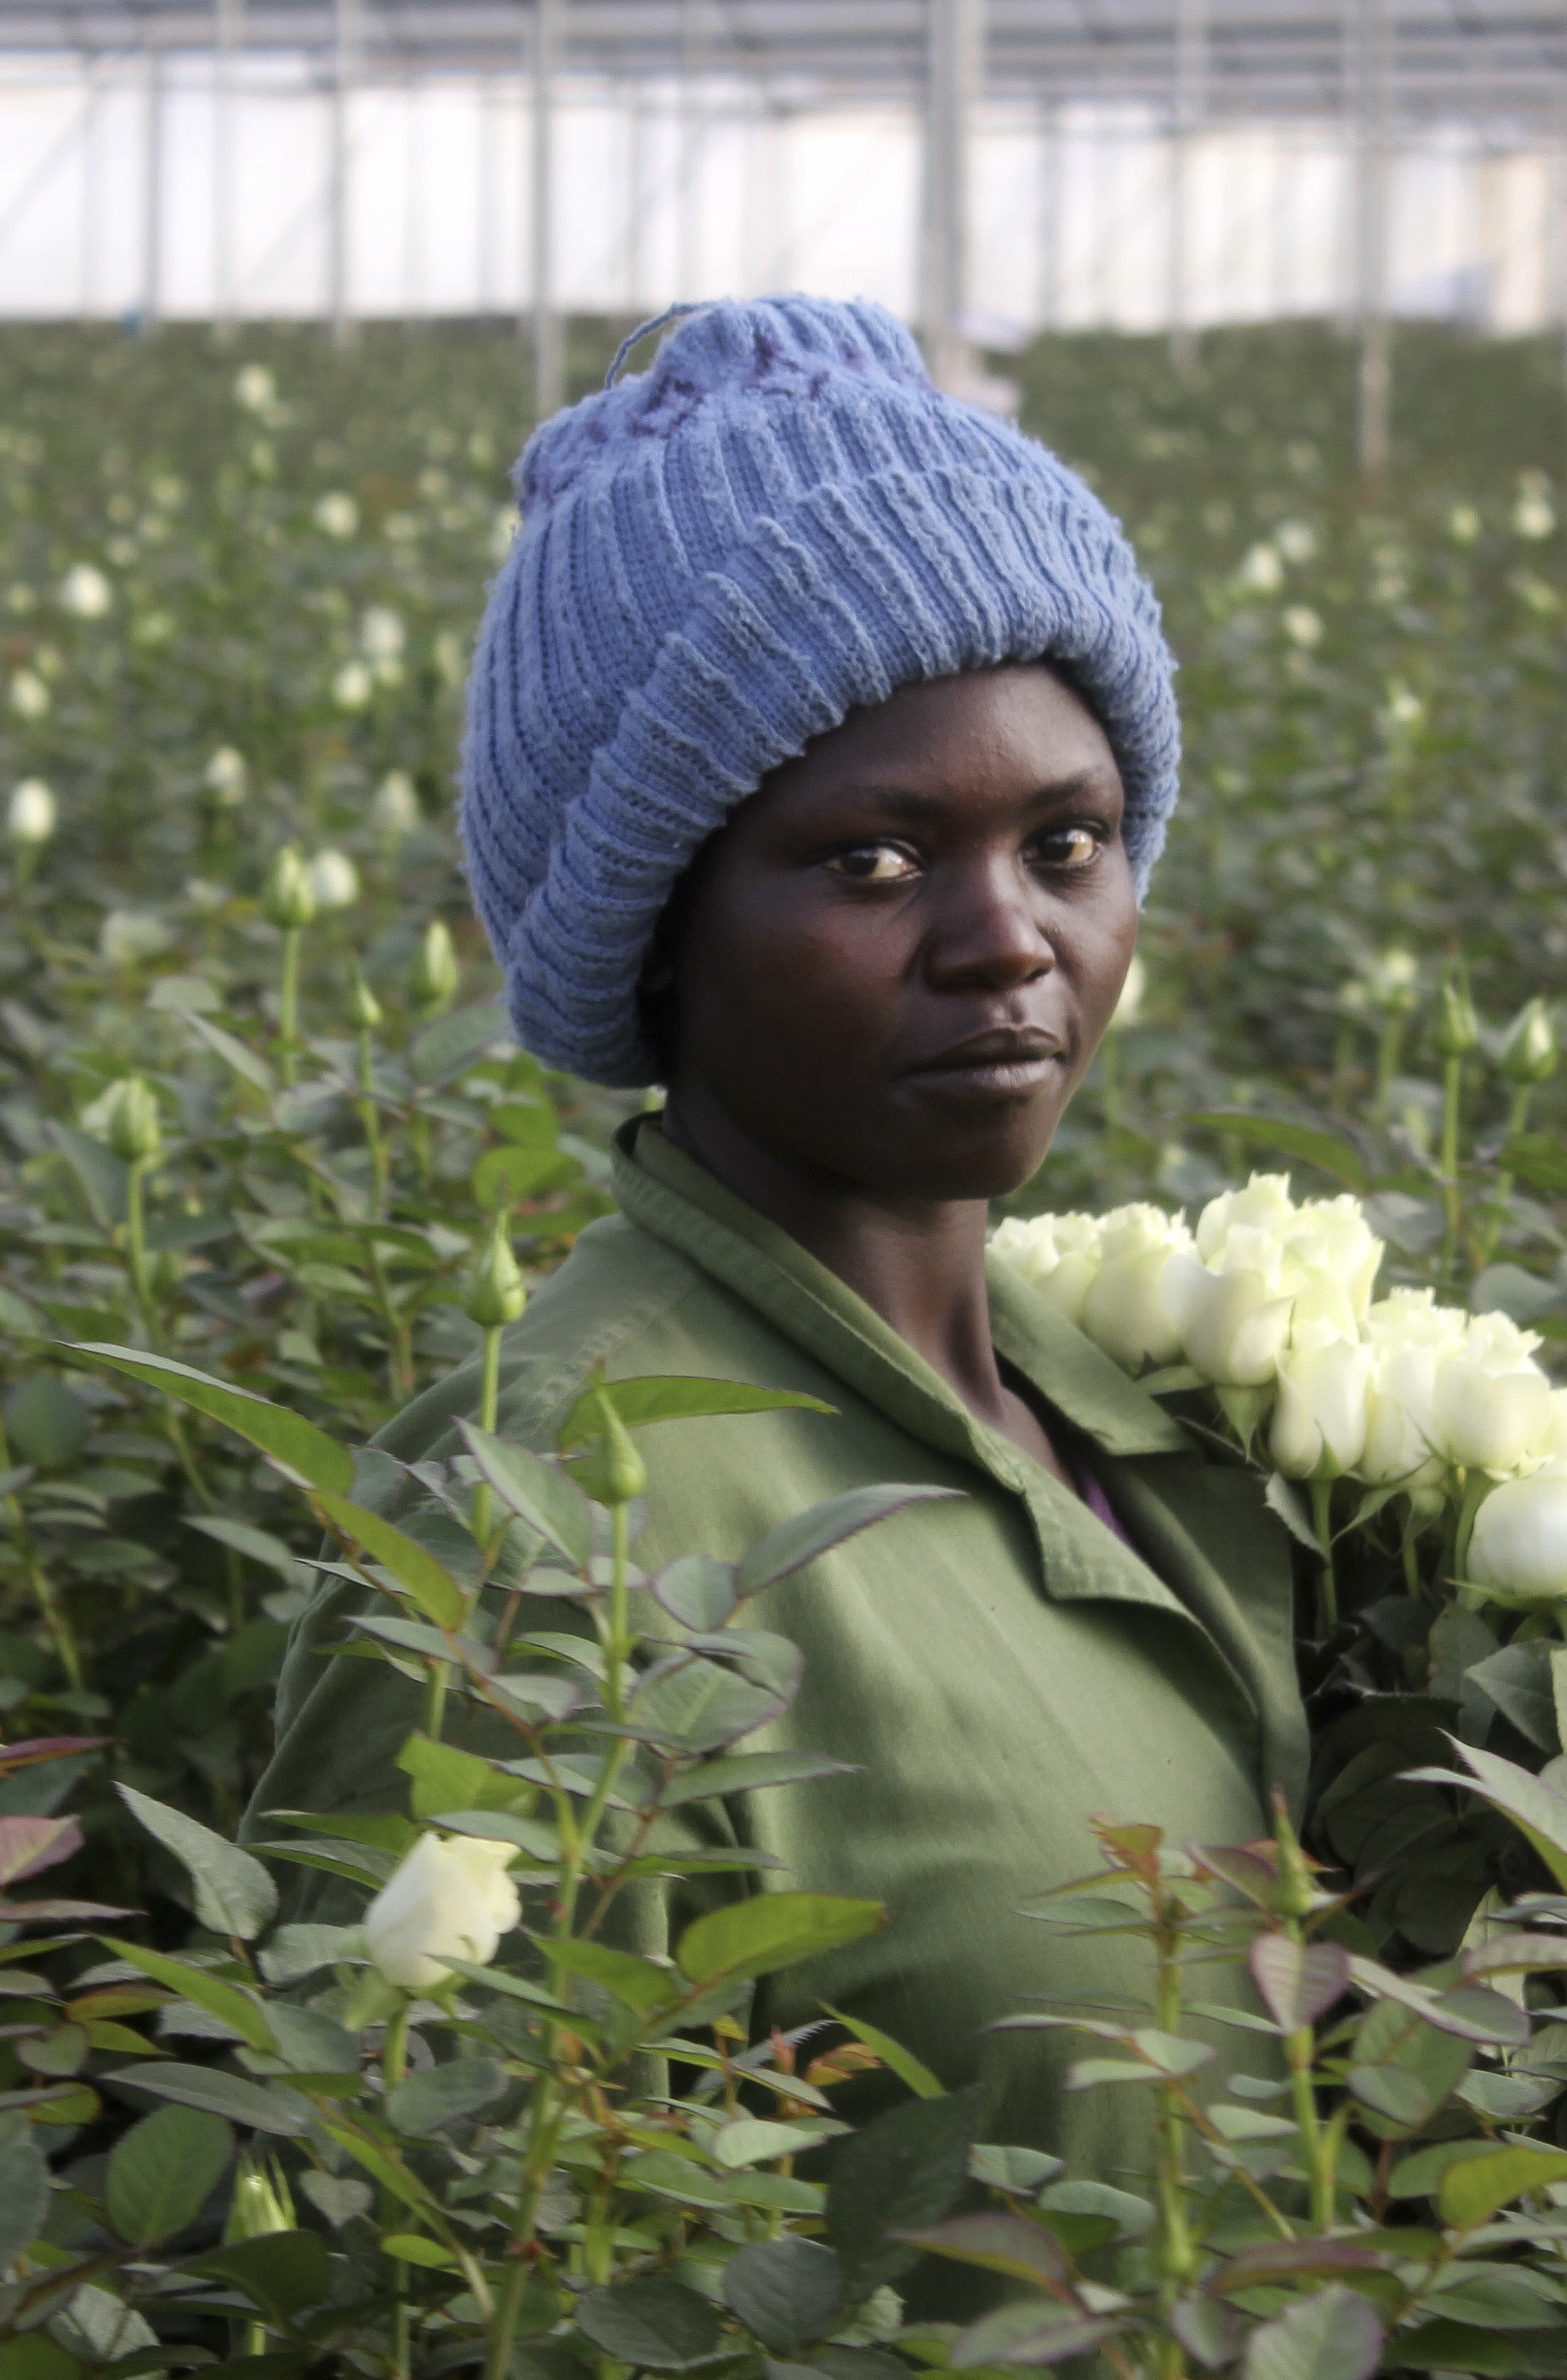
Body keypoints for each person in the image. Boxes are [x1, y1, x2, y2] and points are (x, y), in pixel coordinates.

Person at [247, 298, 1301, 2174]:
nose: (1008, 941)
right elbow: (423, 2257)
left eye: (1069, 841)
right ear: (655, 924)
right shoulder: (555, 1527)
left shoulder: (1150, 1399)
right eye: (874, 863)